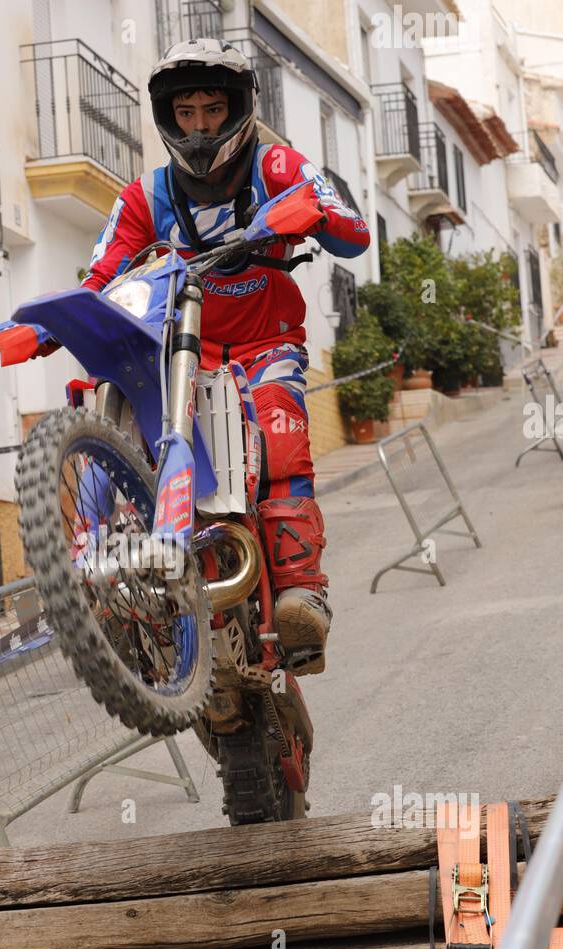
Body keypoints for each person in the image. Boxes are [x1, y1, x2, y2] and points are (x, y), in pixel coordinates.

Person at [79, 37, 370, 673]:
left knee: (279, 437)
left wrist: (310, 209)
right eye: (187, 113)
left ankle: (300, 596)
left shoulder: (278, 167)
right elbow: (99, 277)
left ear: (236, 108)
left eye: (212, 109)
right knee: (109, 411)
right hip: (176, 354)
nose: (201, 125)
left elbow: (355, 233)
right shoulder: (144, 197)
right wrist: (55, 323)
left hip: (265, 343)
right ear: (169, 118)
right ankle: (98, 575)